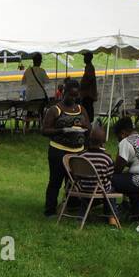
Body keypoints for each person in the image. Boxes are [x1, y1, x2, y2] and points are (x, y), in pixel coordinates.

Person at [42, 84, 90, 217]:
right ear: (64, 93)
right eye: (71, 95)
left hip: (77, 151)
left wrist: (84, 128)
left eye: (76, 96)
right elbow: (45, 130)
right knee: (55, 181)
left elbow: (89, 127)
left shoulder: (81, 109)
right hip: (58, 150)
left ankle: (72, 205)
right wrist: (62, 130)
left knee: (74, 180)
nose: (74, 98)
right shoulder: (55, 110)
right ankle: (50, 209)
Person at [68, 122, 116, 222]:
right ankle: (111, 217)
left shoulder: (81, 157)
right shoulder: (106, 158)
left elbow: (74, 174)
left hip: (83, 188)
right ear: (103, 143)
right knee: (112, 189)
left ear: (89, 140)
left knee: (87, 197)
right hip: (100, 189)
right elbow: (110, 176)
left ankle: (81, 217)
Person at [79, 51, 98, 120]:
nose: (84, 58)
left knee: (87, 111)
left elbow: (90, 79)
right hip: (87, 94)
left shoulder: (90, 67)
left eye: (85, 57)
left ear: (89, 58)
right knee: (87, 110)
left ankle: (89, 124)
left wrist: (82, 86)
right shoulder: (88, 67)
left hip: (88, 94)